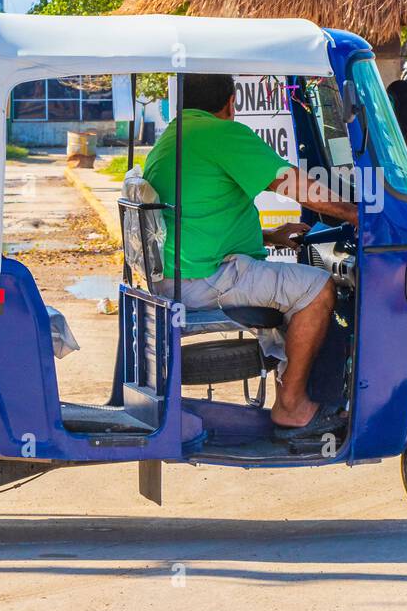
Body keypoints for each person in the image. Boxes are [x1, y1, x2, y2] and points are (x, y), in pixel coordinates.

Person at [143, 74, 358, 437]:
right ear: (230, 104)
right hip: (207, 278)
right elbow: (289, 183)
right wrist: (356, 213)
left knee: (290, 283)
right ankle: (291, 406)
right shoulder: (219, 134)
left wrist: (271, 234)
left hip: (186, 273)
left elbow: (196, 218)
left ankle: (294, 385)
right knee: (318, 289)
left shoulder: (173, 137)